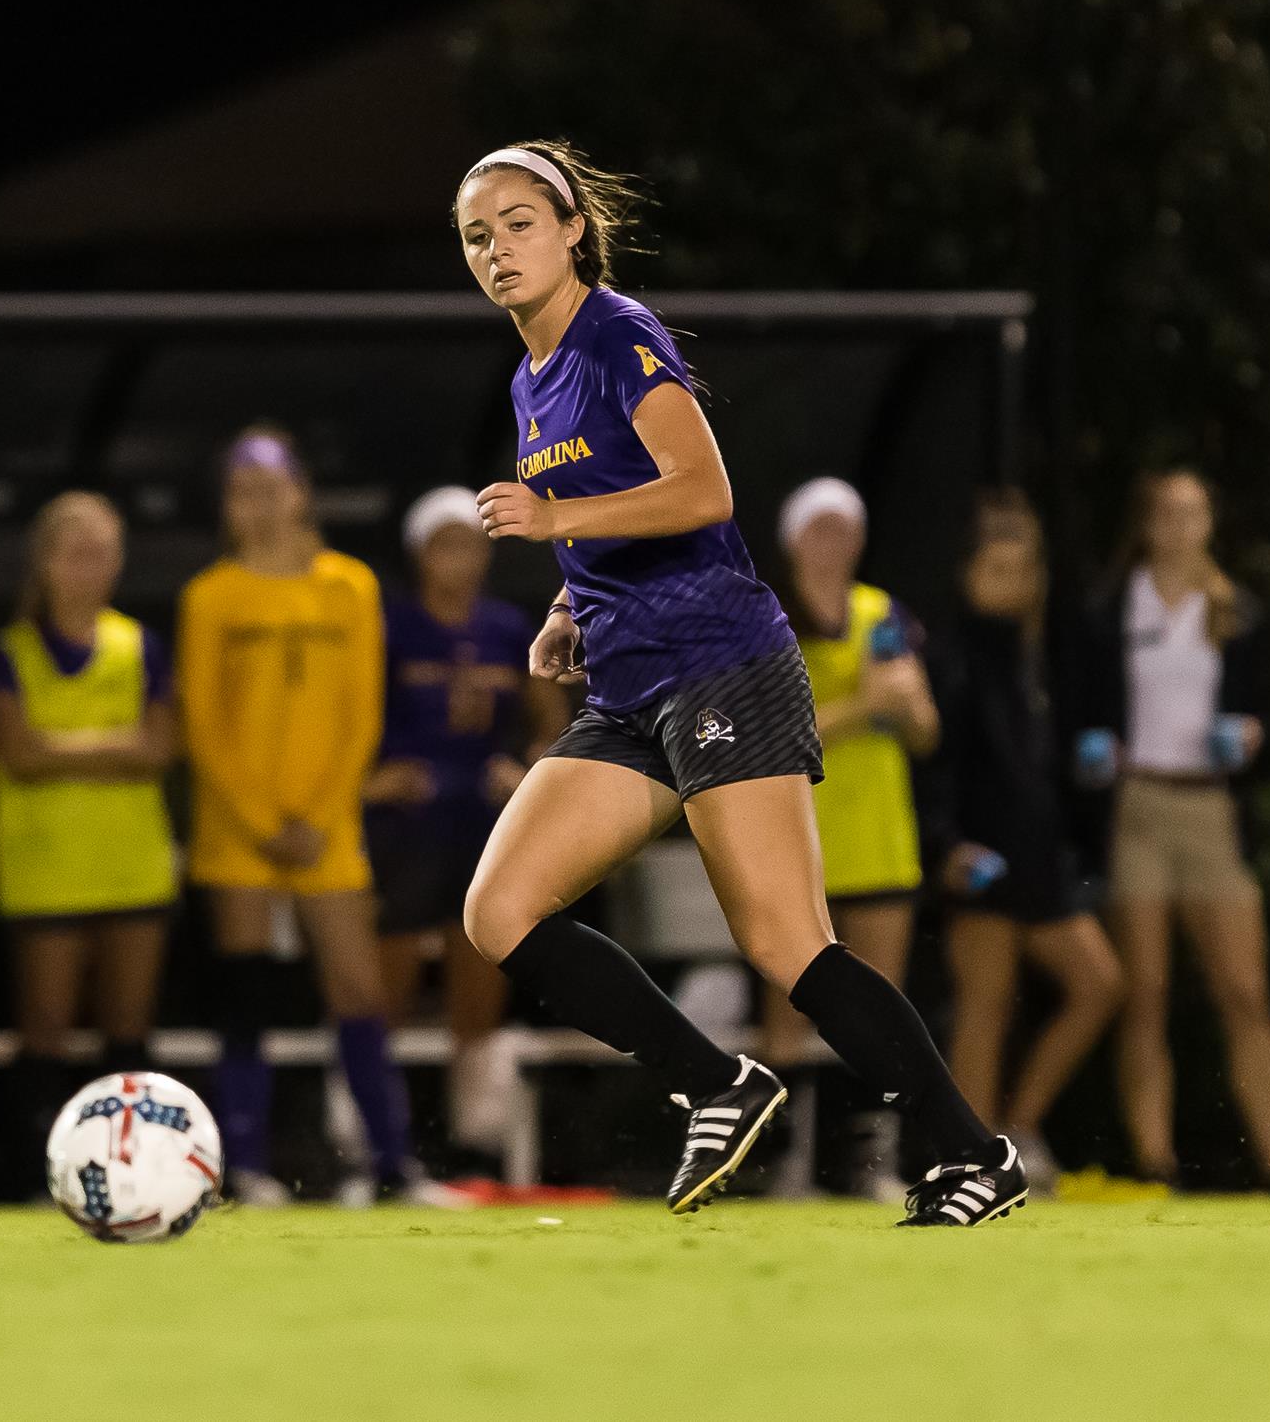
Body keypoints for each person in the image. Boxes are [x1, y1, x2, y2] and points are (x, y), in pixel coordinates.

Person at [455, 140, 1021, 1225]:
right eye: (478, 235)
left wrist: (554, 519)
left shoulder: (615, 331)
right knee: (500, 908)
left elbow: (701, 489)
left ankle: (971, 1153)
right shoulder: (532, 375)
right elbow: (618, 511)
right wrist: (568, 606)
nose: (498, 248)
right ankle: (715, 1082)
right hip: (627, 685)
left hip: (719, 659)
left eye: (519, 222)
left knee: (783, 940)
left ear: (574, 228)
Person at [176, 432, 464, 1208]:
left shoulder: (350, 588)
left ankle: (392, 1167)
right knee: (246, 996)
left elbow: (361, 716)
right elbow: (203, 726)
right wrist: (263, 818)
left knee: (359, 992)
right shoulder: (212, 596)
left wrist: (318, 814)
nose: (260, 503)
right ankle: (242, 1170)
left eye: (272, 485)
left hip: (328, 825)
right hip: (241, 830)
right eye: (242, 489)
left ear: (300, 492)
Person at [1074, 468, 1270, 1188]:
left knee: (1244, 990)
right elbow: (1082, 709)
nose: (1180, 527)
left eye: (1193, 513)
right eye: (1167, 514)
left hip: (1210, 808)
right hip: (1138, 805)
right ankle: (1155, 1162)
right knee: (1145, 993)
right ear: (1145, 524)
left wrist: (1256, 736)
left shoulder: (1235, 609)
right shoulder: (1113, 607)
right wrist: (1091, 749)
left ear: (1209, 522)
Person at [366, 487, 567, 1172]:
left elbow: (550, 719)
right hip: (405, 822)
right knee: (385, 978)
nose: (459, 560)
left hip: (483, 818)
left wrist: (529, 769)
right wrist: (374, 780)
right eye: (444, 544)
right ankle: (369, 1140)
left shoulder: (509, 629)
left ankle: (472, 1144)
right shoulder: (388, 626)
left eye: (471, 545)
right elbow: (351, 717)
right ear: (420, 554)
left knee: (480, 969)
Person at [935, 491, 1124, 1194]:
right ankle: (968, 1156)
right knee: (986, 1005)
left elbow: (1046, 760)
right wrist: (947, 844)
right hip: (981, 856)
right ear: (969, 574)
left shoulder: (1041, 653)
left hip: (1038, 858)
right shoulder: (954, 657)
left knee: (1101, 984)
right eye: (997, 569)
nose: (1012, 583)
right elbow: (937, 763)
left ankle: (1017, 1126)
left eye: (1023, 568)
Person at [759, 477, 939, 1201]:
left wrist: (903, 704)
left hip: (877, 836)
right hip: (794, 834)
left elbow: (925, 733)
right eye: (818, 529)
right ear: (794, 538)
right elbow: (777, 733)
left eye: (844, 530)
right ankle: (784, 1165)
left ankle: (870, 1164)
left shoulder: (882, 615)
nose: (832, 544)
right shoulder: (767, 618)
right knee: (792, 1006)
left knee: (880, 1007)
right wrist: (865, 703)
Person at [0, 492, 177, 1160]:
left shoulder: (139, 644)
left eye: (102, 553)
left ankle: (135, 1167)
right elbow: (19, 754)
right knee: (45, 1028)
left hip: (132, 862)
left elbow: (158, 749)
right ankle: (45, 1169)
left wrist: (62, 747)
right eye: (75, 553)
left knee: (128, 1030)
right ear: (44, 563)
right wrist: (113, 747)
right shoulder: (10, 652)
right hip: (44, 867)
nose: (89, 568)